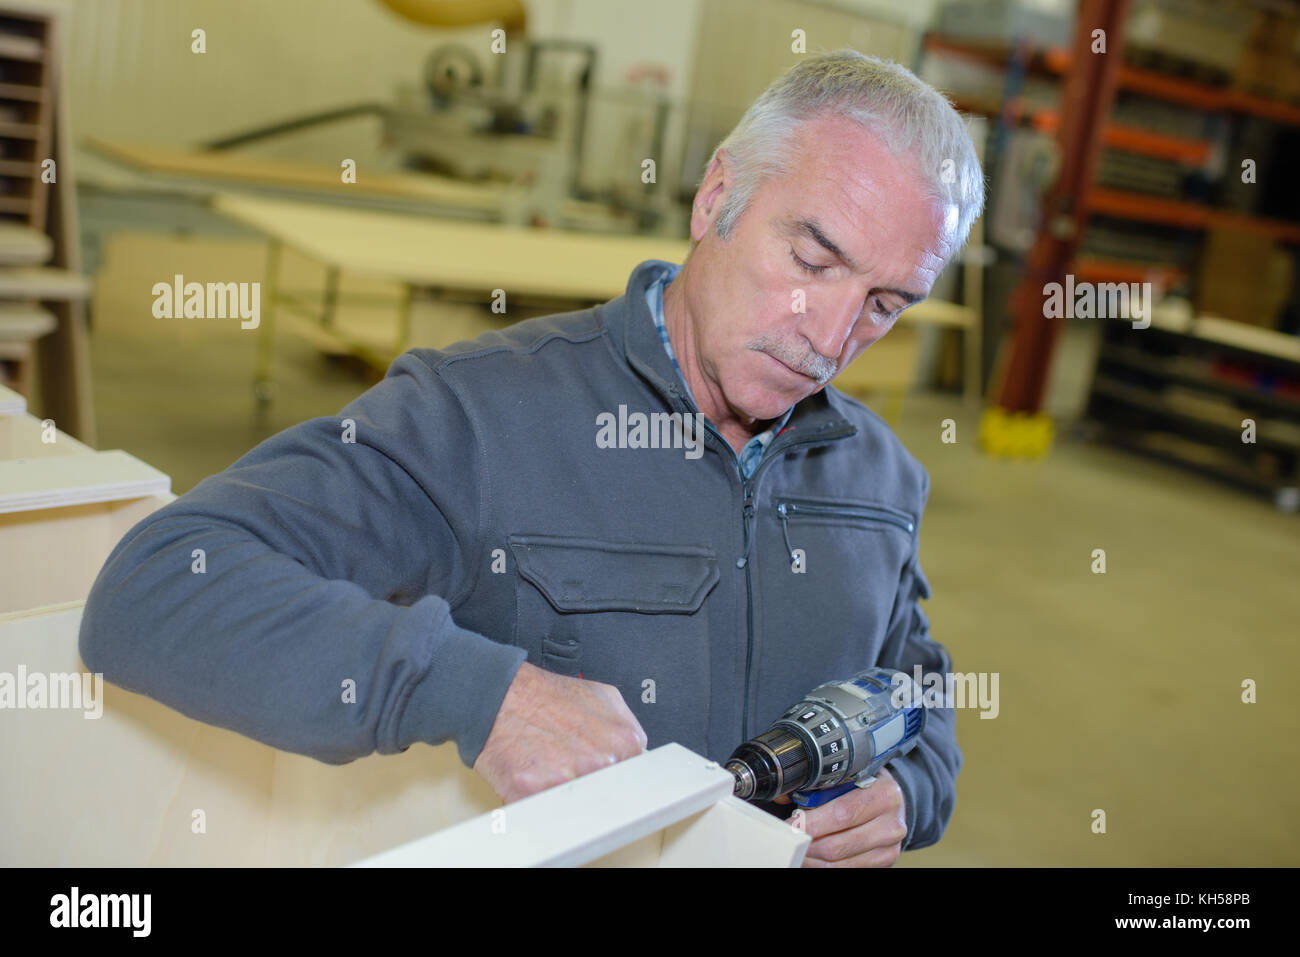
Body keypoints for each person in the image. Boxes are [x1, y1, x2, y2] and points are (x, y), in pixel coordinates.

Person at [80, 49, 984, 867]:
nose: (829, 336)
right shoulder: (482, 415)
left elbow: (913, 681)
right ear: (718, 198)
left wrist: (915, 788)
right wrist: (481, 692)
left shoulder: (881, 477)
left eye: (884, 304)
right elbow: (156, 589)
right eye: (812, 259)